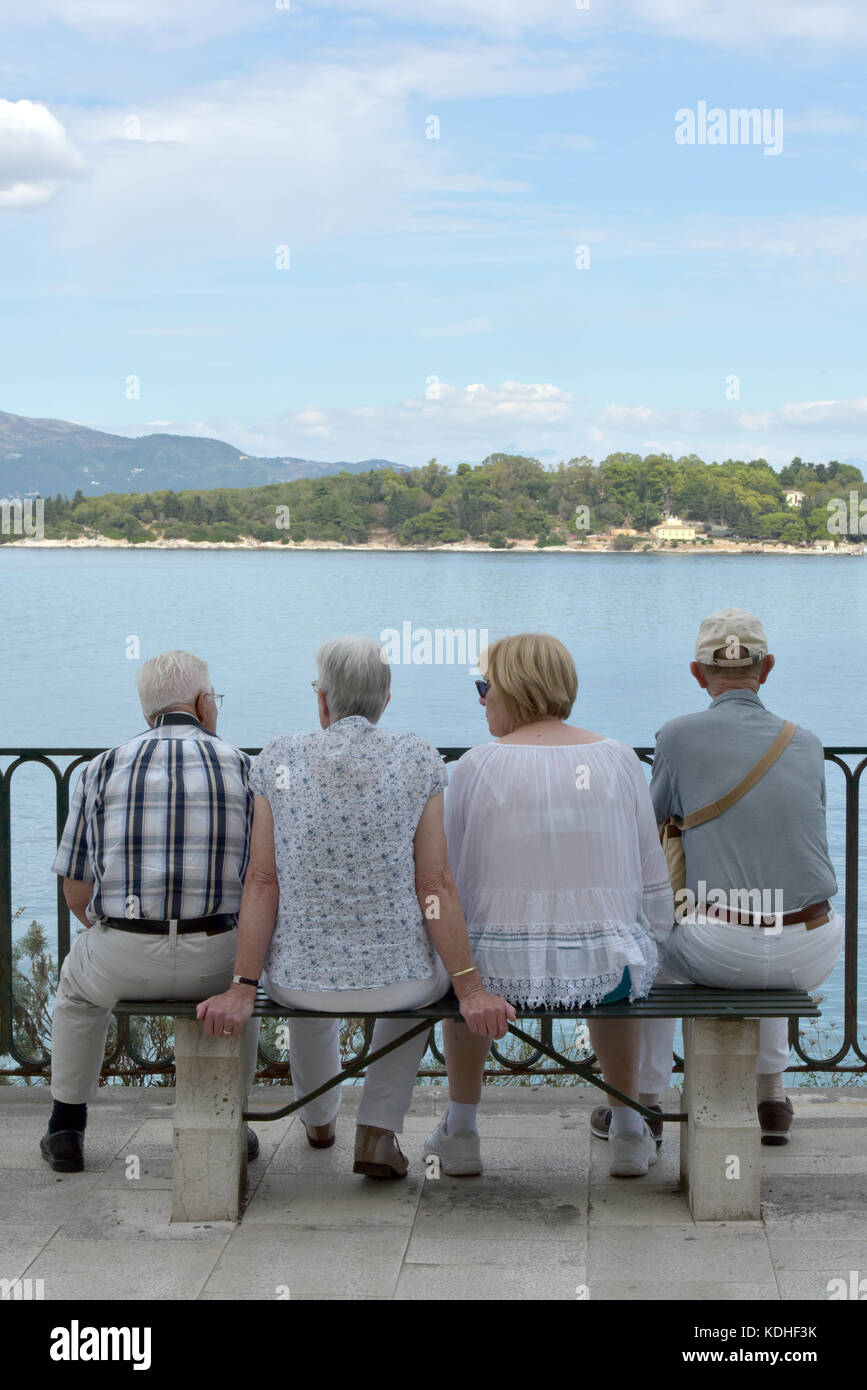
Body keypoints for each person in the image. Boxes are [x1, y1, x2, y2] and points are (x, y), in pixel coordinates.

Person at [198, 636, 513, 1179]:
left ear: (322, 700)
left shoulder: (279, 757)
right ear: (385, 701)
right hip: (400, 980)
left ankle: (319, 1120)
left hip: (297, 980)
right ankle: (378, 1130)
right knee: (422, 988)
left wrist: (243, 984)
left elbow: (262, 880)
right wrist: (469, 987)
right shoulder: (417, 757)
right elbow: (435, 884)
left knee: (307, 979)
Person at [423, 633, 674, 1180]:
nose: (481, 699)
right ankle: (630, 1131)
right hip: (601, 972)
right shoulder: (617, 759)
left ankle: (462, 1130)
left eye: (484, 686)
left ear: (512, 688)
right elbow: (652, 875)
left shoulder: (474, 767)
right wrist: (650, 939)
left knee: (464, 971)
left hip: (492, 978)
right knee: (620, 961)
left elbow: (451, 880)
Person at [596, 608, 842, 1148]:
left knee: (649, 952)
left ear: (697, 673)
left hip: (725, 945)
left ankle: (646, 1103)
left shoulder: (677, 736)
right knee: (769, 936)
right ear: (768, 667)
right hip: (815, 945)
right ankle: (771, 1099)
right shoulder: (808, 741)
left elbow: (651, 824)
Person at [43, 651, 261, 1172]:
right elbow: (262, 880)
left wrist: (119, 936)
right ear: (205, 702)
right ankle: (233, 1120)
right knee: (248, 985)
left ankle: (66, 1127)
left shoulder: (101, 768)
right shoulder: (244, 766)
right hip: (217, 954)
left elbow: (76, 887)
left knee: (76, 994)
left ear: (147, 710)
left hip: (123, 954)